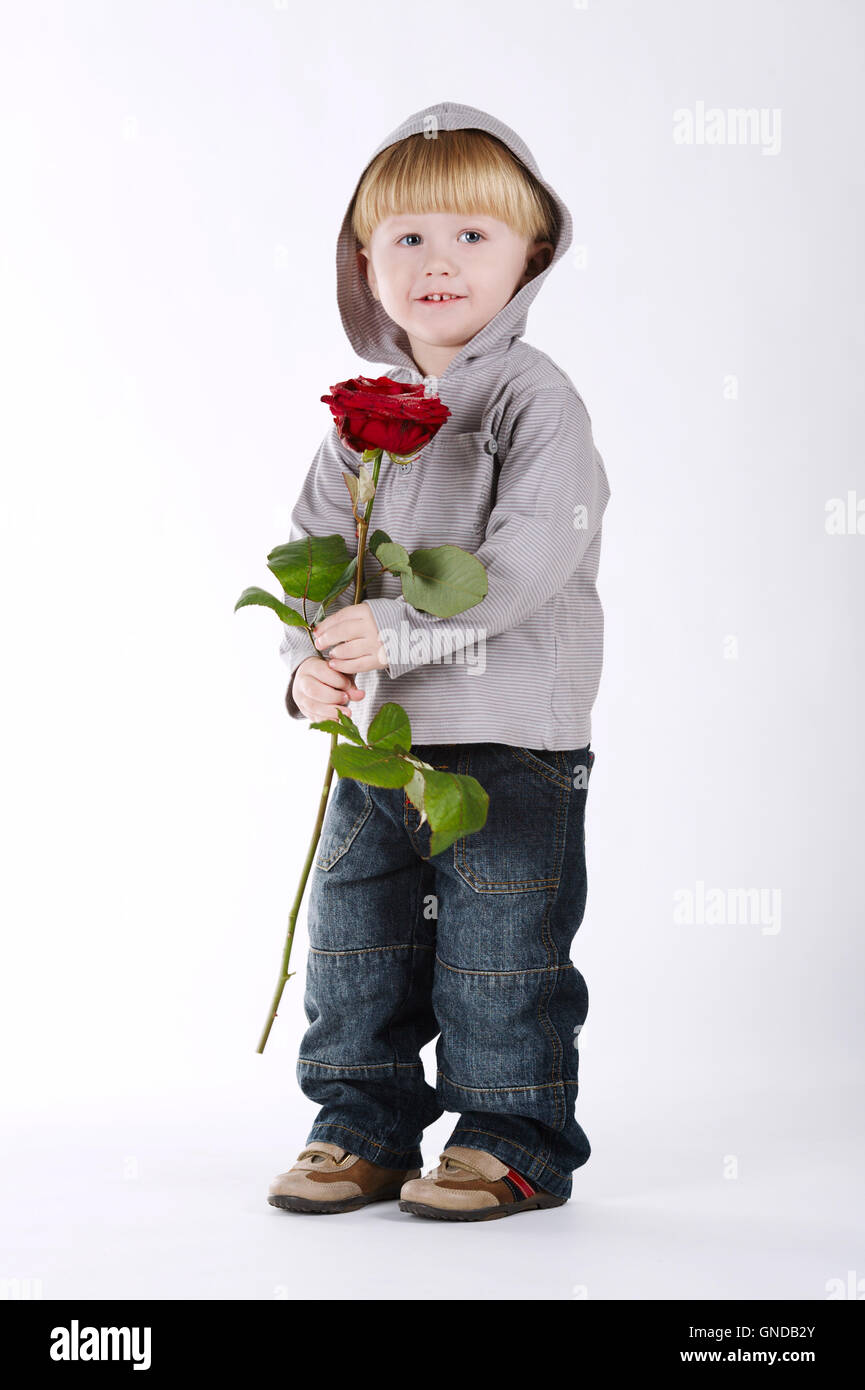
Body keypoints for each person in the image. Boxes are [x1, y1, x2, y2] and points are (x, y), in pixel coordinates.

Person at [267, 101, 610, 1221]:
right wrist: (306, 660)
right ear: (364, 263)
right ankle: (360, 1121)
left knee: (499, 944)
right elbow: (319, 560)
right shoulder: (361, 417)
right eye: (407, 238)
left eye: (472, 236)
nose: (437, 263)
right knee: (356, 937)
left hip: (510, 740)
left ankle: (513, 1135)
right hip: (381, 741)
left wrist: (408, 635)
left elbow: (527, 563)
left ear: (530, 255)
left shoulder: (531, 395)